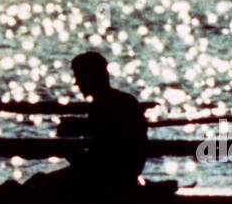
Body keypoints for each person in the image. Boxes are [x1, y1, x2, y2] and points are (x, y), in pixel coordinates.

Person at [20, 51, 149, 196]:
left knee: (39, 182)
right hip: (118, 174)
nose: (76, 83)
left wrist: (70, 150)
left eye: (79, 77)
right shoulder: (120, 101)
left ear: (91, 77)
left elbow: (103, 156)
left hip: (109, 177)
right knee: (39, 180)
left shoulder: (108, 104)